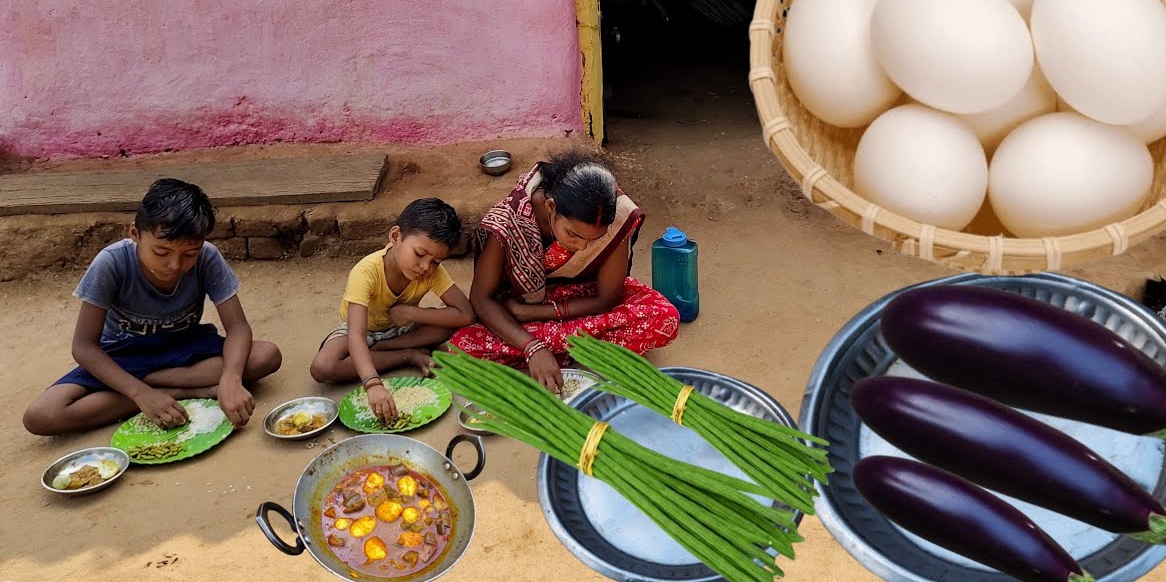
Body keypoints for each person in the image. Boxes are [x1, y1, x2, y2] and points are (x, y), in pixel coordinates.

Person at [22, 179, 282, 436]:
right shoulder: (112, 262)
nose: (174, 265)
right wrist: (140, 394)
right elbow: (83, 346)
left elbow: (237, 327)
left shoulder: (207, 257)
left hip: (184, 347)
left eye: (189, 254)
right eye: (161, 252)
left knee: (265, 356)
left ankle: (154, 387)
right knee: (42, 415)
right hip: (124, 356)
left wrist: (231, 379)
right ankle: (180, 392)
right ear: (135, 234)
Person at [450, 150, 679, 392]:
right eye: (573, 234)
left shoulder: (615, 214)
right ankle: (576, 352)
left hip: (579, 303)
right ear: (551, 207)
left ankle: (553, 353)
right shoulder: (508, 221)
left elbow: (606, 299)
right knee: (463, 344)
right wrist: (531, 346)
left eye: (594, 240)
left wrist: (532, 314)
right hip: (525, 307)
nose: (582, 247)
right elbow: (481, 299)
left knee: (663, 316)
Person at [309, 198, 473, 421]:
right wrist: (373, 384)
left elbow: (465, 314)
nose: (425, 267)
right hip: (363, 331)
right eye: (419, 254)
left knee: (448, 326)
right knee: (323, 367)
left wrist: (411, 313)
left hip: (403, 330)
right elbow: (356, 334)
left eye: (436, 261)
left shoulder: (432, 271)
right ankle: (406, 356)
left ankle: (383, 348)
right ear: (396, 236)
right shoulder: (366, 272)